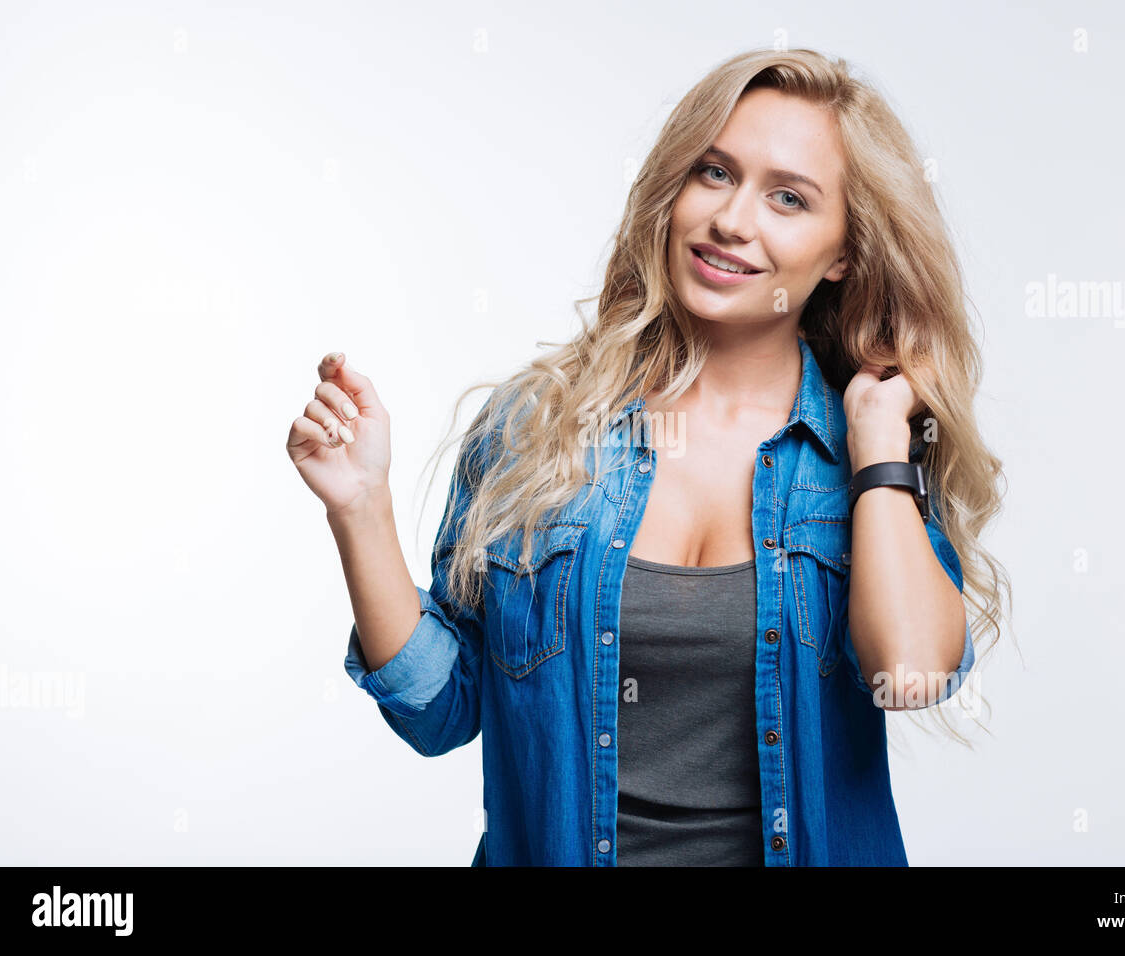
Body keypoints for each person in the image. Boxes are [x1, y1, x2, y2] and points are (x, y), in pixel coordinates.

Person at [287, 47, 1008, 866]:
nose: (734, 220)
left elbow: (910, 673)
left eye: (788, 198)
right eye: (714, 173)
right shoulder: (537, 426)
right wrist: (359, 508)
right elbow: (440, 714)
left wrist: (878, 448)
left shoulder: (870, 448)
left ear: (844, 252)